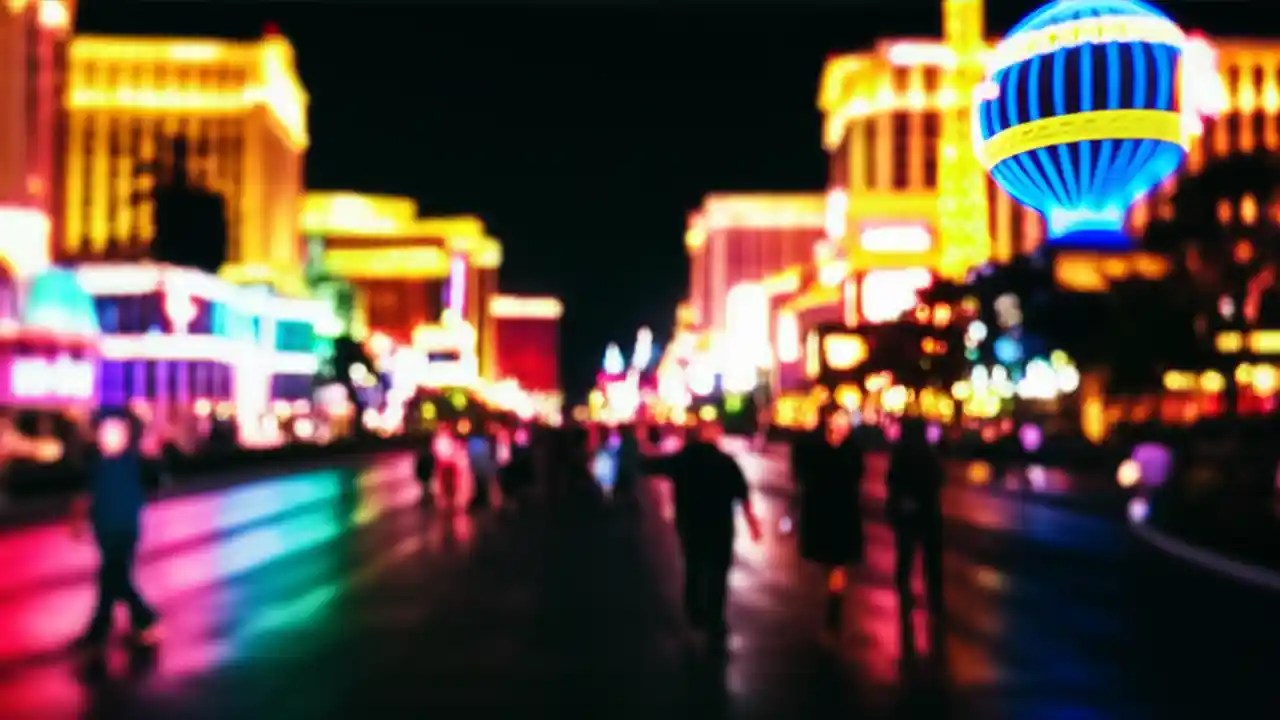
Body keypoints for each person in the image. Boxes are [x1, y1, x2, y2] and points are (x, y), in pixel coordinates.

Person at [638, 415, 763, 650]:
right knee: (718, 571)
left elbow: (649, 466)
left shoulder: (683, 460)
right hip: (720, 525)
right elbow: (742, 492)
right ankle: (714, 618)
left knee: (694, 568)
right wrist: (752, 522)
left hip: (691, 524)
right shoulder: (725, 461)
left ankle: (695, 615)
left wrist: (640, 440)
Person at [70, 409, 160, 650]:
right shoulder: (98, 464)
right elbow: (90, 495)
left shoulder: (133, 462)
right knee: (113, 579)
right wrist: (81, 520)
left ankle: (137, 617)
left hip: (124, 529)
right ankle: (111, 625)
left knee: (113, 577)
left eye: (115, 431)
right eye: (105, 431)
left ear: (127, 435)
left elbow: (154, 482)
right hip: (105, 529)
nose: (108, 436)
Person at [791, 405, 865, 634]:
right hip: (820, 512)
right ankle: (824, 603)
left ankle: (834, 608)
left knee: (838, 563)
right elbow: (801, 474)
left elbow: (857, 474)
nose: (843, 425)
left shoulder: (852, 448)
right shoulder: (811, 447)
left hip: (844, 513)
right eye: (838, 419)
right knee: (823, 562)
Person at [886, 415, 945, 658]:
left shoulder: (901, 453)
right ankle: (934, 597)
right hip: (928, 512)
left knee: (906, 554)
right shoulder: (929, 454)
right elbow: (939, 480)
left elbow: (892, 481)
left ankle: (905, 592)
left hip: (909, 513)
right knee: (931, 558)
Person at [432, 420, 465, 509]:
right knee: (445, 483)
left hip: (450, 464)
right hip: (444, 464)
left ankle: (450, 499)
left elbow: (454, 450)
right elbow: (437, 452)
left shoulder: (449, 439)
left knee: (451, 483)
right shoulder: (438, 440)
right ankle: (447, 499)